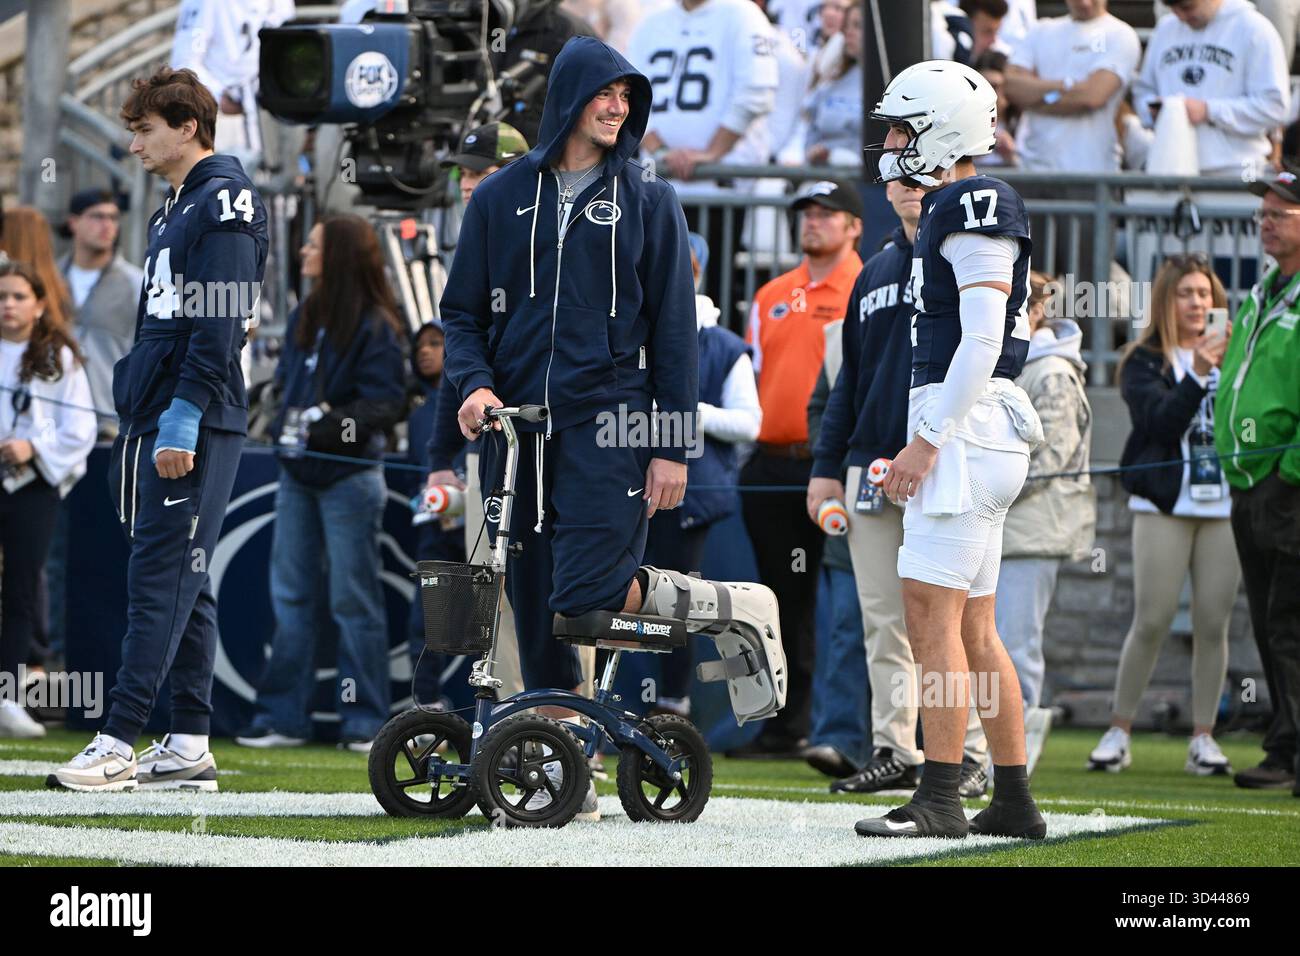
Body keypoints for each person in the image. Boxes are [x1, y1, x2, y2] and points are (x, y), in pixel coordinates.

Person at [444, 37, 784, 819]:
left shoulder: (650, 197)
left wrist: (672, 446)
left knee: (587, 587)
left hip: (614, 423)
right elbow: (461, 315)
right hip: (518, 427)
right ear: (569, 96)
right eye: (606, 93)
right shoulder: (500, 198)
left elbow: (672, 334)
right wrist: (475, 382)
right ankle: (571, 766)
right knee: (533, 599)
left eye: (628, 97)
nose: (618, 107)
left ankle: (734, 610)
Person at [51, 67, 269, 792]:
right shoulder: (172, 206)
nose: (135, 145)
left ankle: (117, 738)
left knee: (159, 579)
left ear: (186, 126)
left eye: (144, 129)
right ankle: (187, 739)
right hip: (154, 412)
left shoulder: (226, 196)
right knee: (189, 583)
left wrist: (184, 411)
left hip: (191, 417)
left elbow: (222, 316)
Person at [857, 60, 1046, 840]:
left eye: (903, 128)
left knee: (929, 619)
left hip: (964, 426)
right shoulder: (961, 204)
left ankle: (940, 796)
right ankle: (1012, 797)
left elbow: (983, 338)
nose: (893, 144)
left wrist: (925, 444)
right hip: (981, 426)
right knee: (974, 627)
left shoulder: (973, 201)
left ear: (940, 131)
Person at [237, 216, 407, 752]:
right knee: (291, 596)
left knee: (352, 600)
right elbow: (288, 382)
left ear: (336, 255)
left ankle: (365, 722)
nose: (304, 251)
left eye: (312, 244)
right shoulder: (305, 313)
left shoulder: (378, 323)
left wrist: (326, 423)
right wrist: (284, 412)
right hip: (296, 475)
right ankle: (283, 717)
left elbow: (387, 403)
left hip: (350, 479)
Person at [1090, 256, 1238, 776]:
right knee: (1151, 619)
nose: (1198, 303)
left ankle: (1203, 737)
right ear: (1165, 303)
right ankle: (1118, 729)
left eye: (1206, 294)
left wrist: (1225, 365)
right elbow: (1158, 421)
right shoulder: (1144, 360)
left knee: (1212, 623)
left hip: (1223, 504)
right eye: (1186, 294)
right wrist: (1197, 373)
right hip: (1164, 505)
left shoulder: (1238, 353)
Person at [732, 180, 862, 759]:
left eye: (827, 213)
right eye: (806, 213)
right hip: (771, 465)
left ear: (854, 225)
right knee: (774, 601)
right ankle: (783, 724)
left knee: (847, 600)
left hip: (833, 465)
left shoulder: (867, 284)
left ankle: (847, 727)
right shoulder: (771, 294)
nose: (813, 222)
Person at [808, 179, 924, 793]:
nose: (909, 185)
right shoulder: (874, 270)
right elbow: (848, 380)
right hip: (867, 466)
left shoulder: (969, 259)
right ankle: (897, 749)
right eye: (899, 175)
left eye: (921, 171)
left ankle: (975, 759)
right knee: (883, 620)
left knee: (955, 622)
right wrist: (827, 466)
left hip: (939, 463)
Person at [966, 270, 1095, 778]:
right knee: (994, 642)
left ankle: (1010, 766)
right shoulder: (1008, 366)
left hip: (1032, 530)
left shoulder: (1053, 372)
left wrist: (979, 483)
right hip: (1005, 524)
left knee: (1016, 646)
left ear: (1035, 311)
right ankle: (993, 760)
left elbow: (1052, 460)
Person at [426, 121, 531, 701]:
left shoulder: (543, 237)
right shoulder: (473, 243)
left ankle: (570, 725)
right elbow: (460, 360)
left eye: (480, 172)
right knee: (490, 589)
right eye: (463, 173)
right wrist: (441, 454)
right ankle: (509, 722)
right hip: (488, 443)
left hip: (550, 438)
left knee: (560, 588)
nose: (468, 185)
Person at [643, 233, 761, 718]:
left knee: (674, 604)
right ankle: (601, 710)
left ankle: (673, 708)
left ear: (697, 271)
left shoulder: (724, 346)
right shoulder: (630, 330)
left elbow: (749, 423)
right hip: (626, 490)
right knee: (608, 598)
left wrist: (685, 412)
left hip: (689, 497)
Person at [1215, 164, 1300, 795]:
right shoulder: (1263, 290)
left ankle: (1290, 748)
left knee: (1289, 620)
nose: (1265, 223)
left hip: (1286, 481)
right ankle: (1286, 745)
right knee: (1271, 621)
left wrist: (1287, 471)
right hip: (1251, 481)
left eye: (1279, 214)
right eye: (1262, 214)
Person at [0, 263, 96, 739]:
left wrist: (33, 447)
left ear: (38, 304)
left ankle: (9, 695)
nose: (9, 305)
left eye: (19, 296)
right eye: (2, 296)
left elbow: (79, 428)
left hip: (31, 484)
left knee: (21, 590)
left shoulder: (58, 355)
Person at [628, 0, 778, 299]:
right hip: (658, 185)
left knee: (705, 296)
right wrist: (659, 150)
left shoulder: (743, 14)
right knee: (650, 291)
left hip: (719, 188)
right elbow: (630, 91)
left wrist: (711, 154)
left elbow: (756, 92)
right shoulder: (651, 18)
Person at [1134, 0, 1289, 178]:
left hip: (1238, 166)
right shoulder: (1166, 28)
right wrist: (1155, 110)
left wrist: (1208, 110)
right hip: (1169, 163)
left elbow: (1275, 107)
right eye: (1173, 9)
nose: (1180, 16)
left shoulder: (1254, 28)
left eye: (1187, 7)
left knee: (1242, 203)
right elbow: (1143, 91)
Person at [1004, 0, 1142, 175]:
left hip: (1092, 172)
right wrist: (1068, 87)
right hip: (1032, 168)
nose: (1084, 3)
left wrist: (1038, 98)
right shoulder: (1040, 30)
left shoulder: (1121, 34)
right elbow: (1011, 86)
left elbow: (1092, 97)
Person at [57, 189, 145, 441]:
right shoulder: (49, 280)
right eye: (97, 217)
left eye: (113, 218)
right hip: (54, 421)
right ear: (73, 222)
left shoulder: (137, 284)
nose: (107, 226)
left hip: (110, 423)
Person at [170, 0, 296, 174]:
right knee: (225, 189)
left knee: (277, 191)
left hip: (272, 114)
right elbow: (184, 61)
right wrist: (218, 95)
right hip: (224, 120)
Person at [802, 2, 862, 167]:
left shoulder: (890, 83)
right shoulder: (833, 80)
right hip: (823, 175)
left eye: (858, 26)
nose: (849, 33)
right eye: (847, 26)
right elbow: (810, 128)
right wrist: (813, 153)